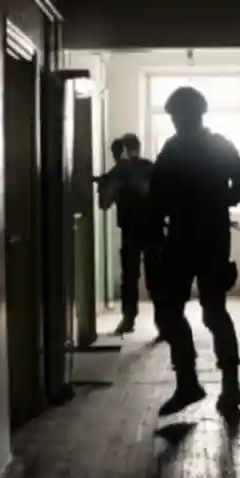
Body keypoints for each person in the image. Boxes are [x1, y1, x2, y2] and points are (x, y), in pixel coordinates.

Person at [149, 86, 240, 415]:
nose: (178, 121)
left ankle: (194, 383)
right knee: (211, 310)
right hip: (208, 237)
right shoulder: (215, 146)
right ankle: (222, 386)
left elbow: (157, 194)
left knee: (182, 310)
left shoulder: (175, 148)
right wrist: (222, 201)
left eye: (179, 115)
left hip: (185, 237)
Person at [95, 134, 161, 336]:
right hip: (131, 231)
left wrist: (127, 180)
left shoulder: (148, 168)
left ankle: (163, 323)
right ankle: (129, 319)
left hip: (152, 229)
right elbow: (104, 205)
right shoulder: (118, 171)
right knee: (130, 278)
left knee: (156, 278)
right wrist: (107, 186)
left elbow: (152, 192)